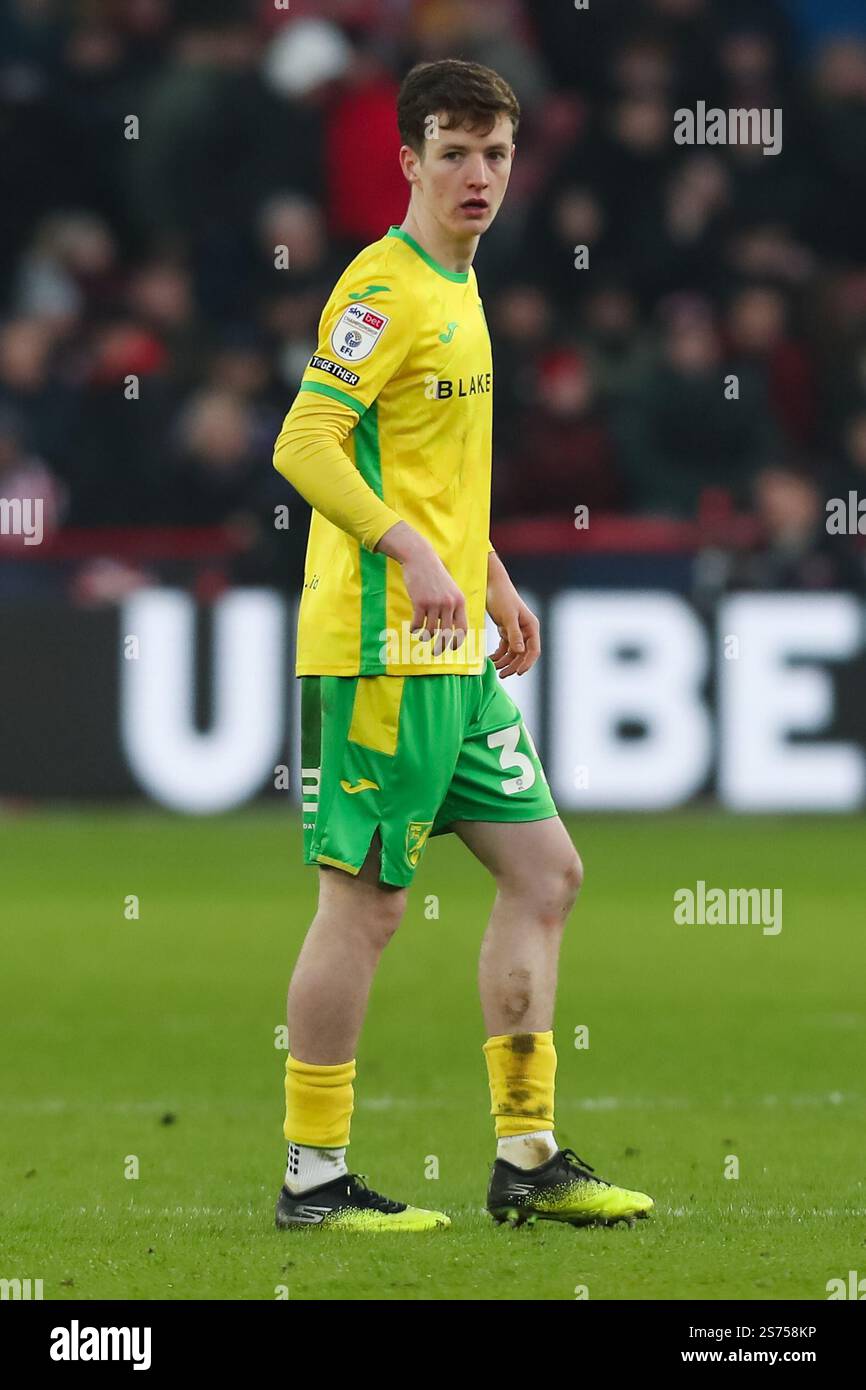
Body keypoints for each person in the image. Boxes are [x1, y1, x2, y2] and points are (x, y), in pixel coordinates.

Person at [271, 58, 654, 1232]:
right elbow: (303, 442)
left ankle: (527, 1156)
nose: (477, 175)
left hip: (449, 643)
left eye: (493, 153)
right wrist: (412, 558)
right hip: (379, 652)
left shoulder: (461, 285)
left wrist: (487, 577)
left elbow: (428, 474)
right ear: (408, 161)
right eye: (453, 154)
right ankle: (315, 1178)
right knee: (366, 906)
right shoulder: (383, 292)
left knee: (546, 874)